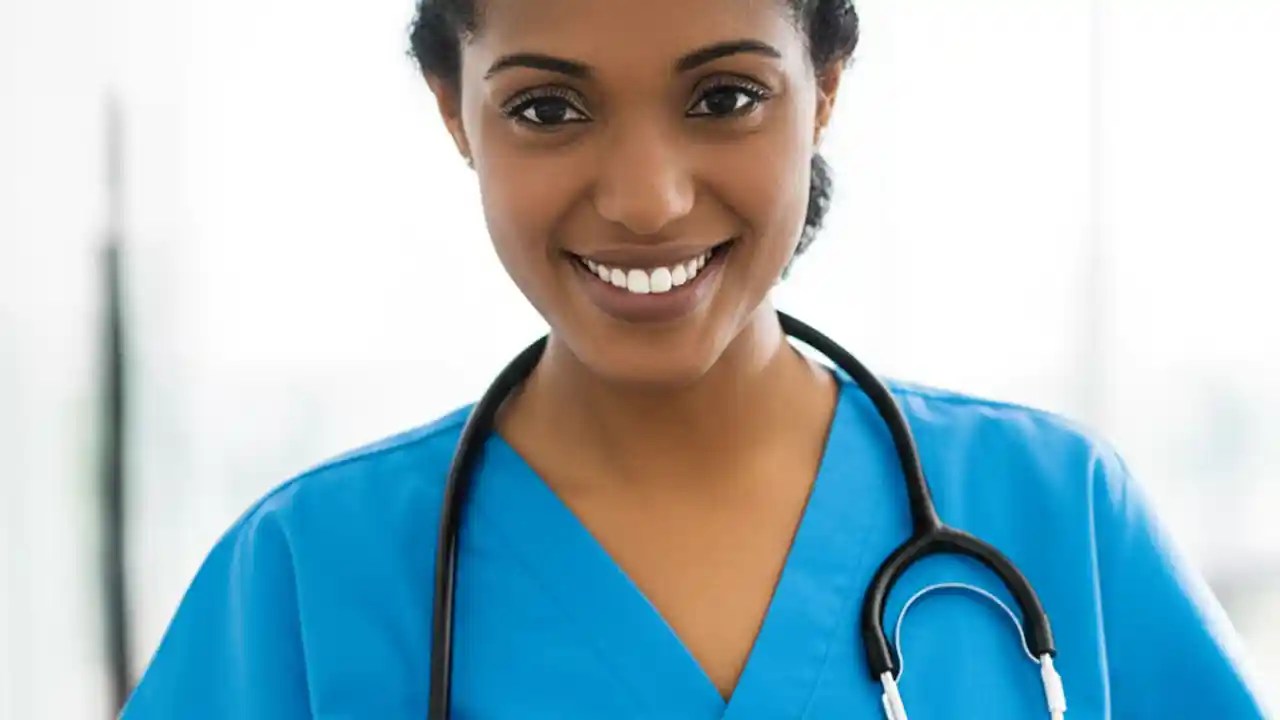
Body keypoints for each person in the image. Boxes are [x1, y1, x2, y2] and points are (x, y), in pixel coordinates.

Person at [120, 0, 1270, 717]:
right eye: (545, 109)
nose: (645, 199)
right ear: (451, 109)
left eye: (723, 97)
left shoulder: (1054, 512)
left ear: (821, 90)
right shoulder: (303, 582)